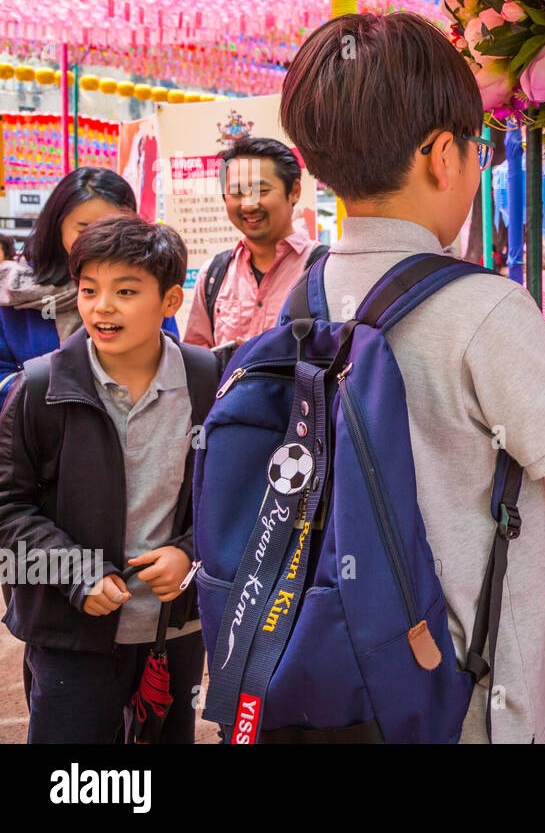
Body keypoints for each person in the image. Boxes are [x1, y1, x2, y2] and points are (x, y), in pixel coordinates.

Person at [279, 10, 545, 744]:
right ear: (443, 155)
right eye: (478, 150)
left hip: (338, 674)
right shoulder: (482, 307)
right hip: (465, 704)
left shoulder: (303, 294)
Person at [0, 216, 219, 743]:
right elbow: (8, 509)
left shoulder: (207, 382)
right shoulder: (38, 388)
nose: (102, 307)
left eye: (125, 291)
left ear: (170, 301)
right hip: (70, 636)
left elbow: (236, 501)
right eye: (89, 289)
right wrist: (76, 573)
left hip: (175, 631)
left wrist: (189, 553)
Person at [0, 168, 176, 396]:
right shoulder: (15, 291)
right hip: (41, 426)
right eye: (85, 229)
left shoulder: (148, 286)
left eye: (113, 230)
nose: (99, 241)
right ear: (58, 225)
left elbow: (168, 363)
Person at [183, 136, 325, 350]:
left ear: (294, 191)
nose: (248, 205)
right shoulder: (213, 274)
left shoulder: (324, 269)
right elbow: (198, 358)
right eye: (237, 193)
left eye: (262, 191)